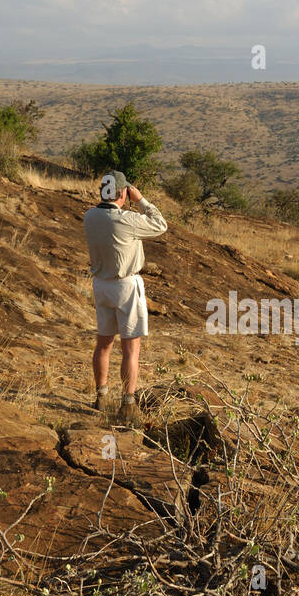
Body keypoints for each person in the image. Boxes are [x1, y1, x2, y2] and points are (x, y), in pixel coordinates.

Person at [82, 170, 167, 425]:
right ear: (122, 193)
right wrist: (140, 200)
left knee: (103, 343)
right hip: (126, 286)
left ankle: (100, 395)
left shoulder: (89, 216)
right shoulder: (127, 219)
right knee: (131, 348)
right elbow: (160, 225)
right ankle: (128, 404)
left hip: (101, 285)